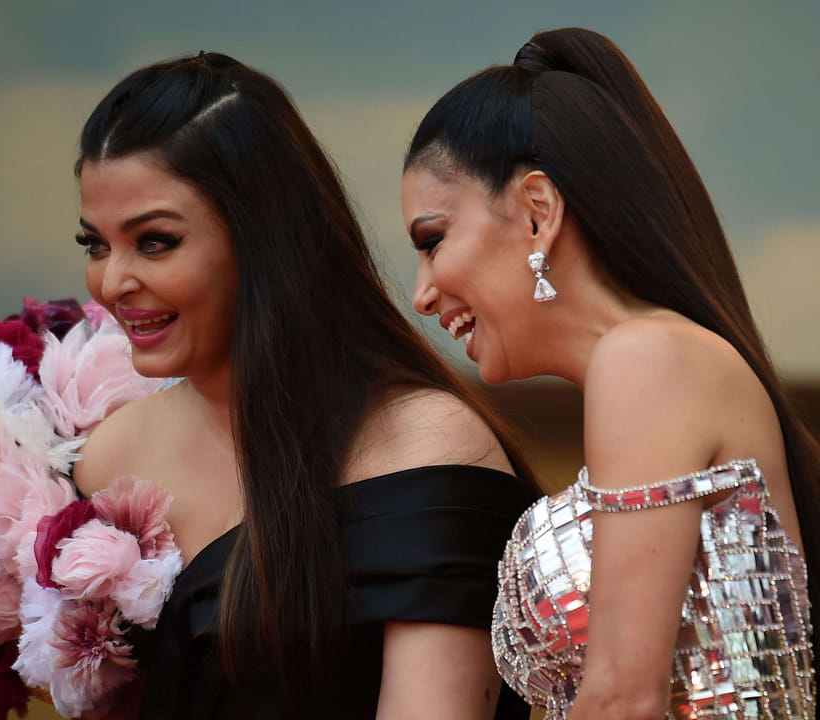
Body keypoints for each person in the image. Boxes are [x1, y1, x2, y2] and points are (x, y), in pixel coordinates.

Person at [70, 52, 540, 719]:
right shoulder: (108, 457)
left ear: (263, 238)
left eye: (154, 242)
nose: (112, 282)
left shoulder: (428, 450)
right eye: (95, 244)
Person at [402, 27, 818, 719]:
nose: (421, 293)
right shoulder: (658, 362)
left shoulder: (647, 358)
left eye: (433, 240)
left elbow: (624, 697)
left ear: (539, 211)